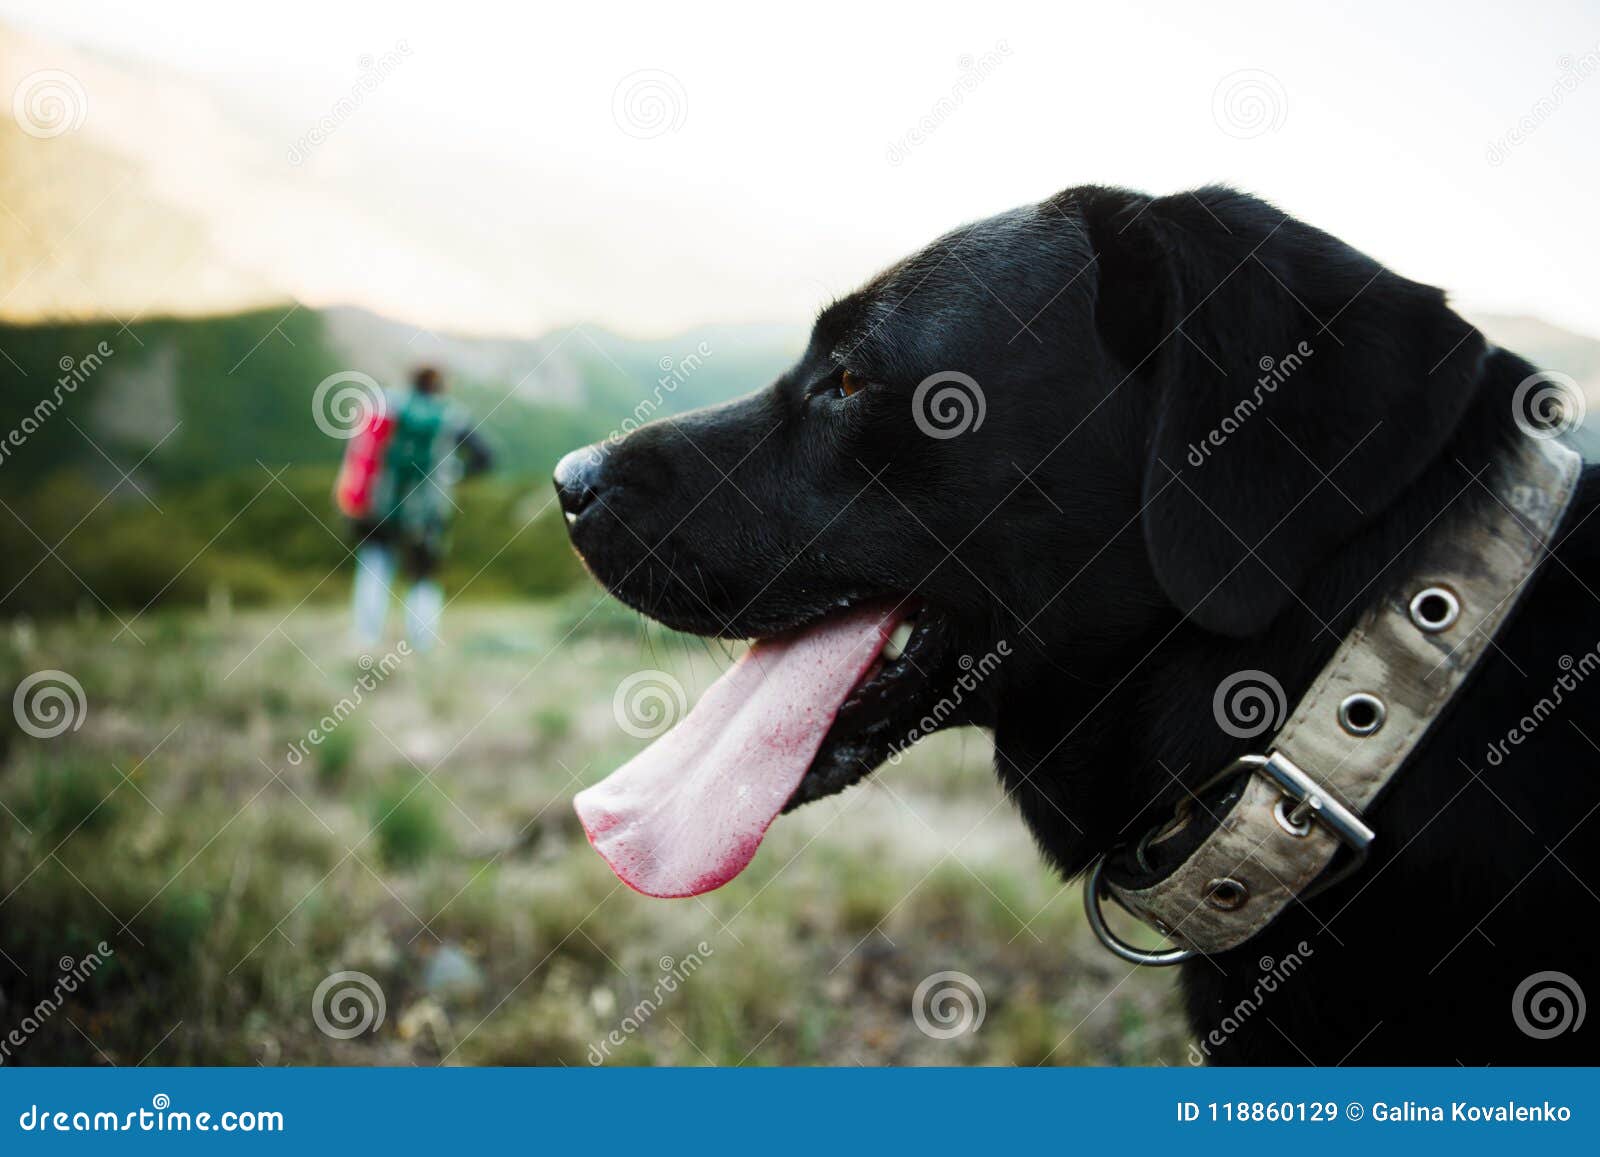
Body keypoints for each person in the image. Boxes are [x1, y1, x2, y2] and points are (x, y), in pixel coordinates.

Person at [347, 366, 492, 651]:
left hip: (382, 504)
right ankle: (422, 644)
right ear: (440, 385)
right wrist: (455, 473)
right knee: (423, 577)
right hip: (427, 511)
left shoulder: (390, 406)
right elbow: (486, 457)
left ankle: (365, 639)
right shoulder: (452, 416)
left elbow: (362, 451)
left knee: (375, 569)